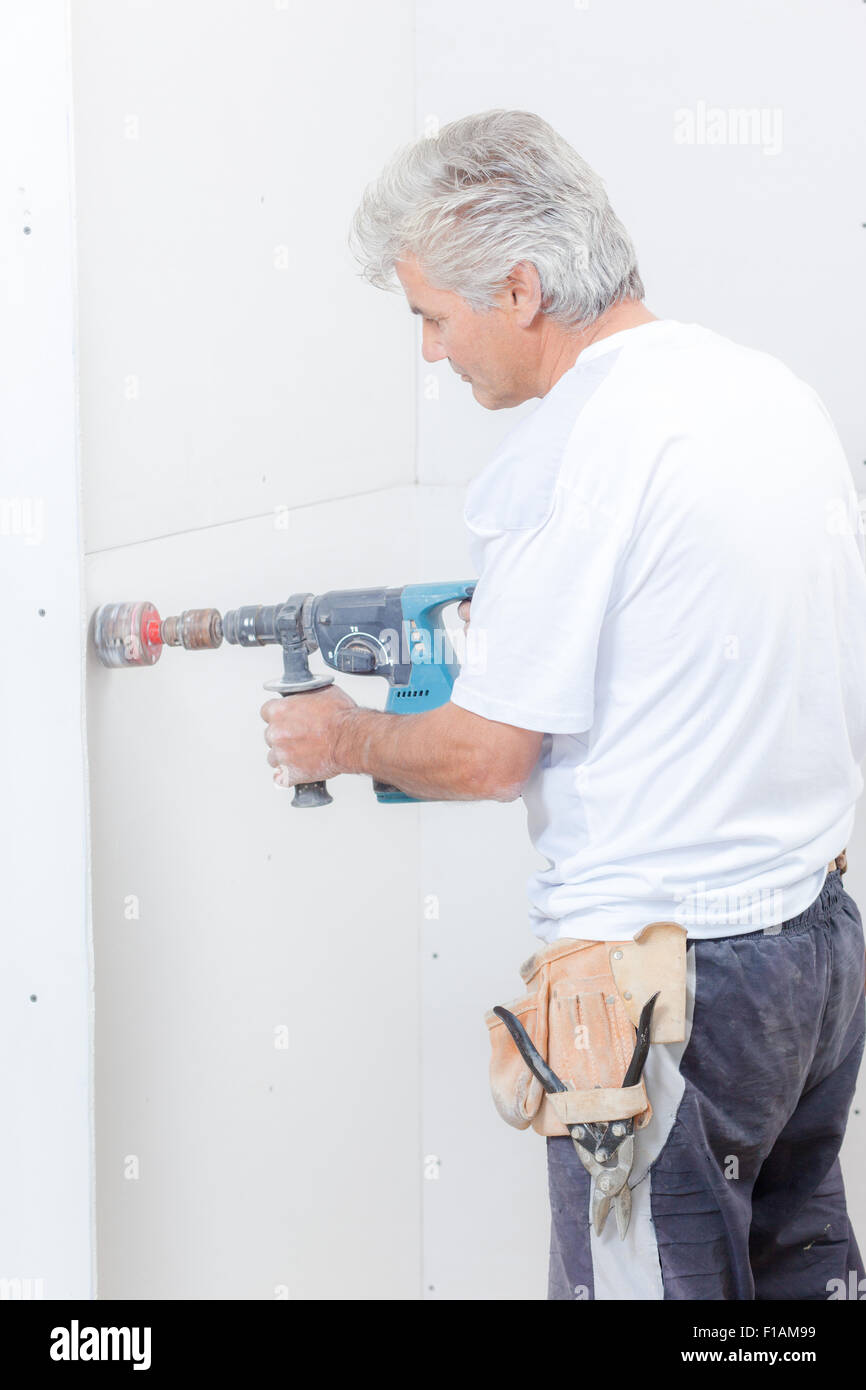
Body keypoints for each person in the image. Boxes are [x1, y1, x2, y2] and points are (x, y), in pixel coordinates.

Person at [260, 109, 866, 1300]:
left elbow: (488, 753)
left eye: (432, 317)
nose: (433, 352)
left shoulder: (573, 452)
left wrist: (342, 736)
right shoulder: (757, 390)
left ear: (521, 289)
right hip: (811, 956)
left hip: (662, 997)